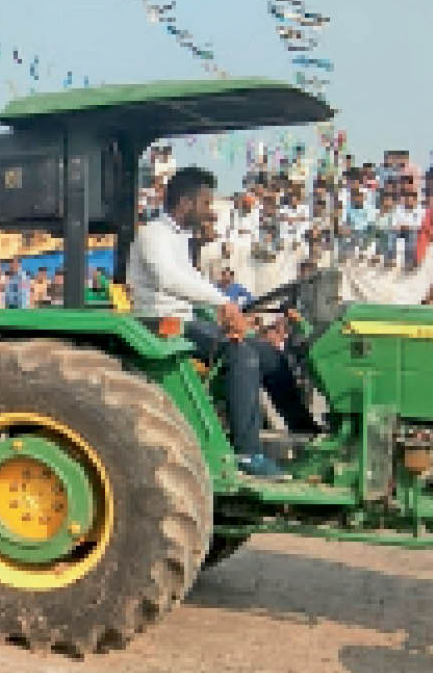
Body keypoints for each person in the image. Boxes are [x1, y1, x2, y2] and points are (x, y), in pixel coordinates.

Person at [127, 166, 318, 478]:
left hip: (187, 320)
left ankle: (306, 432)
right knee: (241, 353)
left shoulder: (178, 238)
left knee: (269, 354)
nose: (209, 211)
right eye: (205, 203)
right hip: (159, 323)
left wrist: (236, 311)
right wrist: (223, 304)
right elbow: (169, 280)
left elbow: (193, 282)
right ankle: (247, 452)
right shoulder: (153, 235)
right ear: (186, 203)